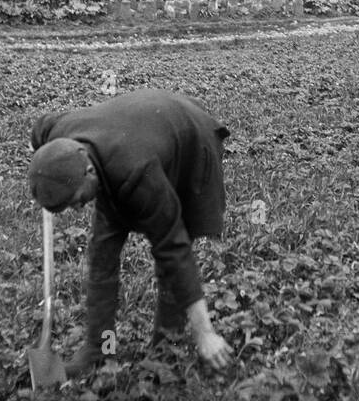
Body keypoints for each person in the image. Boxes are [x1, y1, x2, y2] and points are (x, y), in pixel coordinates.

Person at [27, 89, 233, 376]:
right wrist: (44, 171)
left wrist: (205, 333)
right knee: (102, 251)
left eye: (76, 200)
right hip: (132, 131)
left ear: (88, 172)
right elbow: (40, 128)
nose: (76, 209)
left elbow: (173, 250)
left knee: (172, 250)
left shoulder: (137, 174)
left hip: (190, 141)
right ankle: (97, 348)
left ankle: (165, 350)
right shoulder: (59, 135)